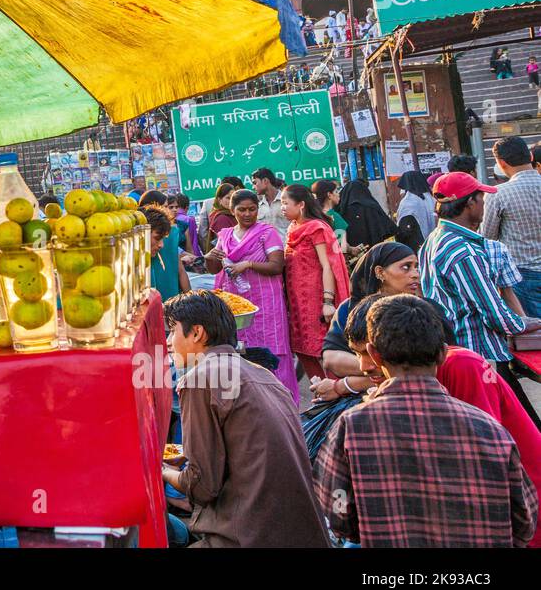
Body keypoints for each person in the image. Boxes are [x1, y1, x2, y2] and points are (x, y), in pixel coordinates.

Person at [316, 294, 537, 547]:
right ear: (442, 354)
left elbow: (337, 509)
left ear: (374, 355)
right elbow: (523, 520)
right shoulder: (491, 430)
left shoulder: (351, 427)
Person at [161, 292, 327, 548]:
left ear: (197, 333)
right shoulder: (262, 374)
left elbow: (203, 485)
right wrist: (187, 454)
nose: (169, 342)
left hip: (248, 536)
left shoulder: (199, 378)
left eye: (172, 332)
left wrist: (161, 471)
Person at [420, 170, 541, 428]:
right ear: (469, 203)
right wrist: (527, 323)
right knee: (512, 430)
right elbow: (496, 315)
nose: (485, 204)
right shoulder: (463, 251)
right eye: (481, 199)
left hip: (458, 352)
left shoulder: (433, 240)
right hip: (478, 356)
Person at [303, 243, 420, 458]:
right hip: (361, 400)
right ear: (380, 272)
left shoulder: (423, 311)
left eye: (416, 267)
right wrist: (382, 371)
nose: (415, 274)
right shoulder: (351, 308)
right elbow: (331, 358)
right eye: (406, 267)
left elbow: (419, 371)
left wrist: (343, 385)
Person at [205, 189, 296, 400]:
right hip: (236, 303)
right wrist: (210, 257)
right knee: (240, 349)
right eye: (242, 210)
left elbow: (276, 266)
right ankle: (250, 400)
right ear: (232, 210)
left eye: (252, 209)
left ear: (258, 209)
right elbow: (213, 269)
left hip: (266, 301)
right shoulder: (225, 235)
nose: (247, 214)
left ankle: (280, 398)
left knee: (271, 347)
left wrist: (248, 264)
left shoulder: (267, 232)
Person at [283, 183, 350, 382]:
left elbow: (328, 265)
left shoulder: (317, 228)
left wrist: (328, 302)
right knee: (303, 350)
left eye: (286, 203)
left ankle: (338, 394)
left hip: (317, 303)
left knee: (324, 349)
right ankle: (320, 395)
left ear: (301, 204)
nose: (282, 208)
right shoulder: (292, 228)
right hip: (298, 304)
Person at [484, 136, 541, 318]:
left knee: (534, 335)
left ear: (501, 163)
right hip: (524, 276)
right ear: (531, 157)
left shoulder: (497, 194)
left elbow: (487, 237)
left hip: (521, 274)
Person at [335, 178, 396, 249]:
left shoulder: (342, 210)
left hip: (351, 253)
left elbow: (339, 238)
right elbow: (389, 228)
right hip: (374, 251)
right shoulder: (371, 206)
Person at [144, 205, 189, 300]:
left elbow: (181, 272)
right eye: (157, 238)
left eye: (162, 239)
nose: (161, 245)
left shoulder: (170, 246)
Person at [392, 170, 436, 250]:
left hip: (417, 246)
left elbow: (405, 228)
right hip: (435, 243)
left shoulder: (408, 202)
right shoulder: (432, 199)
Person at [310, 179, 351, 254]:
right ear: (329, 195)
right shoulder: (335, 217)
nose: (338, 194)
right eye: (336, 191)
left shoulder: (312, 215)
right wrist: (351, 250)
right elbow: (341, 247)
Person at [251, 168, 290, 239]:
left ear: (265, 181)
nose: (253, 187)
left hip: (288, 248)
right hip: (267, 249)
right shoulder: (258, 206)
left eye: (255, 183)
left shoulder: (288, 200)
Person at [204, 183, 238, 250]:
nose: (231, 201)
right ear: (219, 200)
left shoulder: (233, 214)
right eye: (228, 198)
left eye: (233, 198)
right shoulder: (221, 218)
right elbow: (226, 245)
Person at [166, 194, 200, 259]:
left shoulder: (183, 225)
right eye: (171, 207)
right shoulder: (162, 226)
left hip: (186, 261)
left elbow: (190, 249)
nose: (175, 210)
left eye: (176, 207)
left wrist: (194, 260)